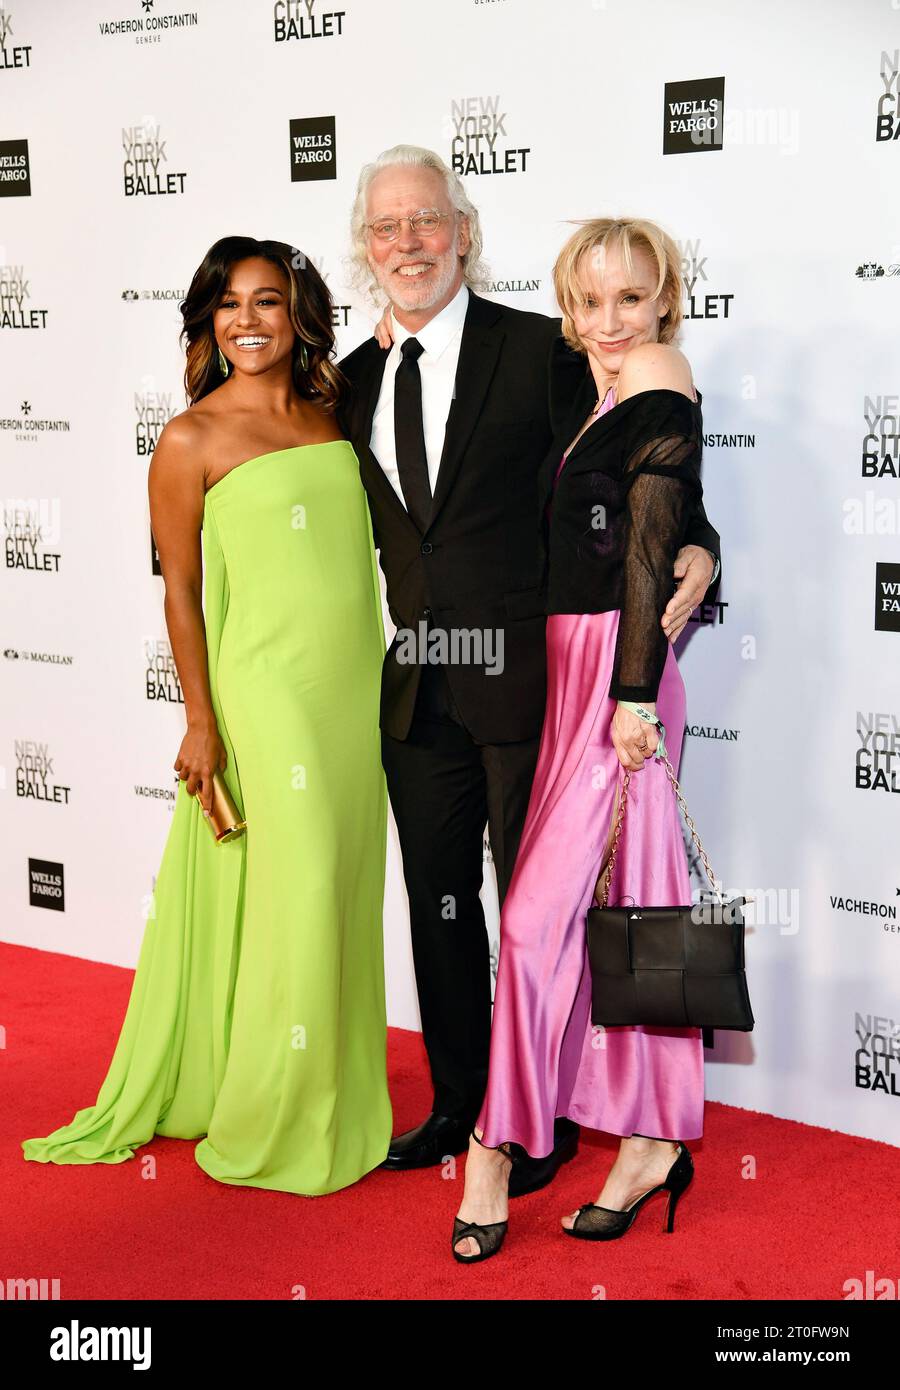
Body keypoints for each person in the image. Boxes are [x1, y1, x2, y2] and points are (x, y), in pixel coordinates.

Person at [339, 145, 721, 1194]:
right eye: (386, 228)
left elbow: (644, 459)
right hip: (420, 680)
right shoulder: (355, 373)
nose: (408, 243)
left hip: (541, 684)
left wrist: (704, 542)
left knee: (559, 909)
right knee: (442, 908)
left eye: (427, 222)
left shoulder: (547, 348)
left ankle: (541, 1125)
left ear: (463, 231)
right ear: (366, 250)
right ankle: (466, 1106)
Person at [22, 237, 392, 1196]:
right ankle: (276, 1112)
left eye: (269, 302)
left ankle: (324, 1088)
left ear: (298, 315)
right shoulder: (190, 439)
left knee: (332, 885)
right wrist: (200, 720)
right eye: (229, 305)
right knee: (302, 882)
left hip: (351, 690)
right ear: (207, 322)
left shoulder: (335, 416)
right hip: (264, 693)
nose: (250, 321)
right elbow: (179, 591)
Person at [451, 216, 712, 1262]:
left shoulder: (658, 370)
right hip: (578, 682)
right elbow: (677, 509)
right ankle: (649, 1139)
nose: (609, 320)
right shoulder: (598, 391)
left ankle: (492, 1150)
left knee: (538, 921)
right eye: (589, 300)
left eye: (630, 298)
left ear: (663, 302)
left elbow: (655, 525)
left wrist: (636, 691)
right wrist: (706, 545)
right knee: (628, 912)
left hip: (619, 682)